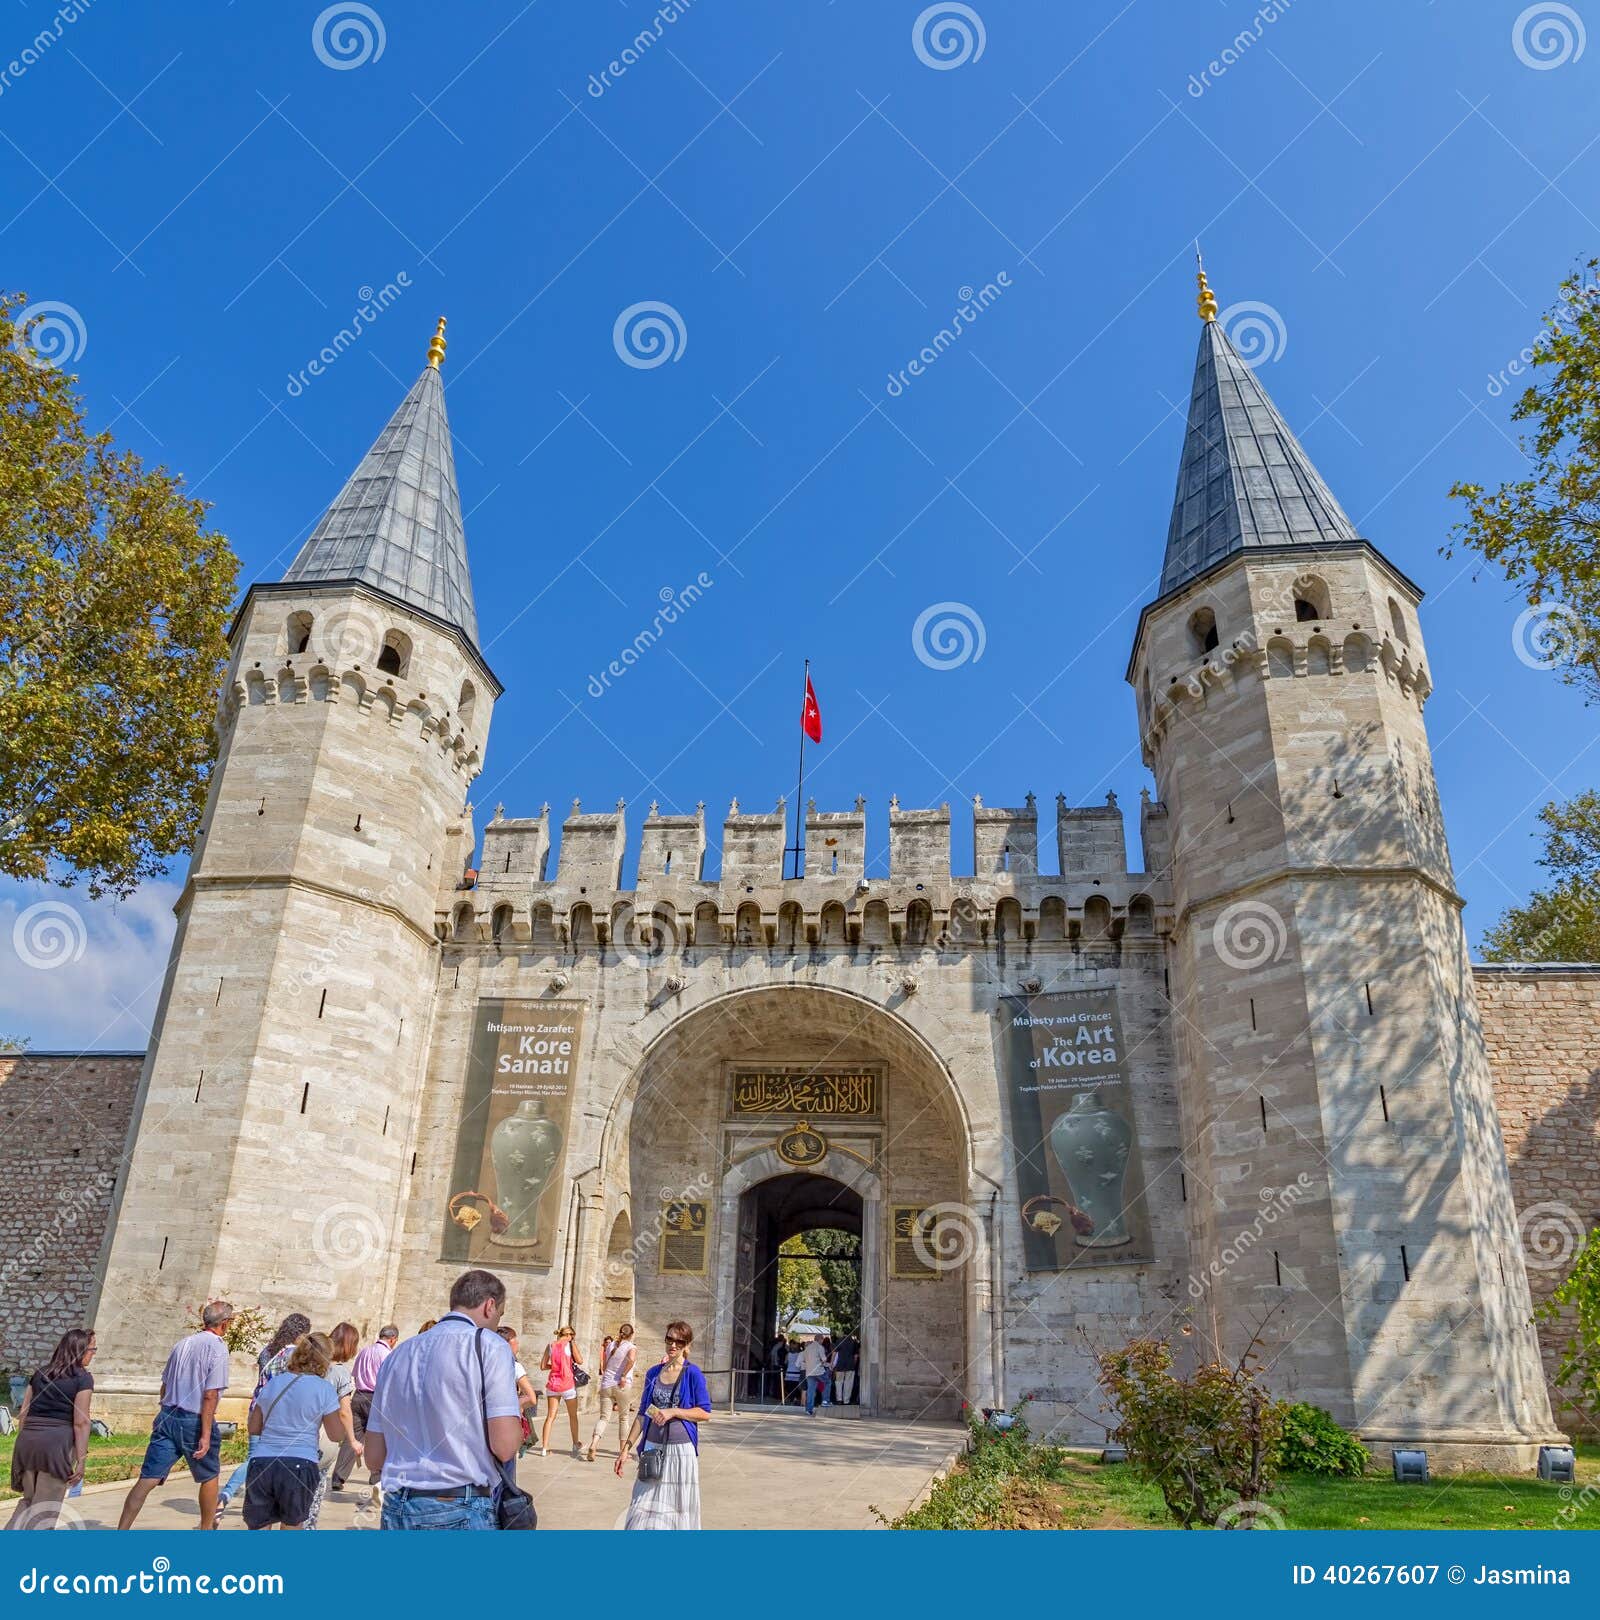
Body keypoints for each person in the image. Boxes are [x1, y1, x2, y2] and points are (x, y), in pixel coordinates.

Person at [363, 1270, 521, 1530]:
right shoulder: (490, 1346)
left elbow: (374, 1457)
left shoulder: (397, 1354)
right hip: (460, 1505)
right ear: (490, 1306)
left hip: (398, 1508)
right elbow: (504, 1446)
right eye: (500, 1315)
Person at [118, 1300, 235, 1530]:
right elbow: (210, 1394)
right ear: (225, 1323)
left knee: (147, 1478)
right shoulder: (218, 1347)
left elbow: (165, 1383)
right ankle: (205, 1530)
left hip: (168, 1414)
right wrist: (206, 1432)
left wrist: (162, 1410)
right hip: (195, 1418)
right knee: (210, 1475)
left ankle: (122, 1530)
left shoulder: (182, 1343)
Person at [614, 1320, 711, 1530]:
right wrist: (626, 1448)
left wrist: (673, 1412)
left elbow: (704, 1413)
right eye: (669, 1339)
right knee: (640, 1511)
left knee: (675, 1512)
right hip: (652, 1449)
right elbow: (643, 1413)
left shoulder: (692, 1373)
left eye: (679, 1341)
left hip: (680, 1452)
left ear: (687, 1345)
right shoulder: (653, 1373)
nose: (673, 1345)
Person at [243, 1333, 344, 1530]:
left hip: (263, 1461)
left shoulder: (274, 1383)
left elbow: (253, 1427)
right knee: (292, 1525)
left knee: (259, 1526)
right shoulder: (324, 1389)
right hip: (299, 1462)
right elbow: (335, 1435)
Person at [217, 1311, 310, 1517]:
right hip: (279, 1416)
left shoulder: (268, 1351)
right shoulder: (295, 1356)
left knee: (254, 1458)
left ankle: (229, 1495)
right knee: (271, 1461)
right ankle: (235, 1497)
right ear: (301, 1334)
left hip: (257, 1409)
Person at [6, 1328, 95, 1529]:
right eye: (92, 1349)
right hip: (56, 1446)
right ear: (80, 1350)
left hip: (28, 1442)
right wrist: (81, 1461)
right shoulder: (83, 1378)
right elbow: (81, 1422)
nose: (93, 1354)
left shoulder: (39, 1373)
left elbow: (24, 1413)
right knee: (45, 1509)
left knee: (29, 1502)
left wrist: (23, 1445)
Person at [302, 1322, 360, 1529]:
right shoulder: (340, 1372)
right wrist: (352, 1440)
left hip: (298, 1432)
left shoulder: (310, 1367)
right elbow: (344, 1411)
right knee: (314, 1490)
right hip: (323, 1435)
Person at [332, 1324, 395, 1493]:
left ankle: (338, 1476)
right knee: (377, 1436)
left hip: (358, 1395)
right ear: (392, 1339)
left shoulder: (364, 1351)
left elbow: (354, 1374)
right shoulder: (388, 1354)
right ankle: (376, 1477)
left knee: (352, 1437)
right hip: (376, 1397)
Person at [585, 1322, 636, 1462]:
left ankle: (594, 1443)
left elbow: (606, 1365)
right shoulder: (631, 1347)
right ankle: (622, 1450)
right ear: (631, 1335)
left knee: (603, 1417)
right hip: (622, 1385)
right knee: (624, 1418)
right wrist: (624, 1375)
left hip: (607, 1384)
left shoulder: (611, 1345)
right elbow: (631, 1360)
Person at [538, 1325, 583, 1457]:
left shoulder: (550, 1345)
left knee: (550, 1416)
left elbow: (542, 1366)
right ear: (570, 1335)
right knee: (573, 1416)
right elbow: (580, 1360)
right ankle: (575, 1444)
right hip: (567, 1384)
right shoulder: (569, 1345)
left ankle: (544, 1448)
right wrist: (573, 1343)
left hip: (553, 1384)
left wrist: (555, 1367)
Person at [496, 1326, 540, 1457]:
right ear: (508, 1343)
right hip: (508, 1422)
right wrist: (517, 1405)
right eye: (515, 1340)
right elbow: (531, 1398)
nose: (518, 1344)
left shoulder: (485, 1364)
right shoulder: (515, 1366)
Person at [800, 1335, 829, 1416]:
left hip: (809, 1372)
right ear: (820, 1339)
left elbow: (805, 1360)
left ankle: (809, 1410)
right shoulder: (820, 1347)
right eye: (822, 1340)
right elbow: (824, 1359)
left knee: (811, 1391)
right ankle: (825, 1401)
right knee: (827, 1382)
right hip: (818, 1371)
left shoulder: (807, 1348)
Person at [831, 1329, 859, 1407]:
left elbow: (834, 1352)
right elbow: (856, 1356)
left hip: (840, 1365)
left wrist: (832, 1363)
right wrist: (854, 1364)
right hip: (850, 1365)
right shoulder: (854, 1342)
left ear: (843, 1333)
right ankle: (846, 1400)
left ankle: (839, 1400)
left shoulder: (839, 1340)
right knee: (848, 1383)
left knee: (838, 1382)